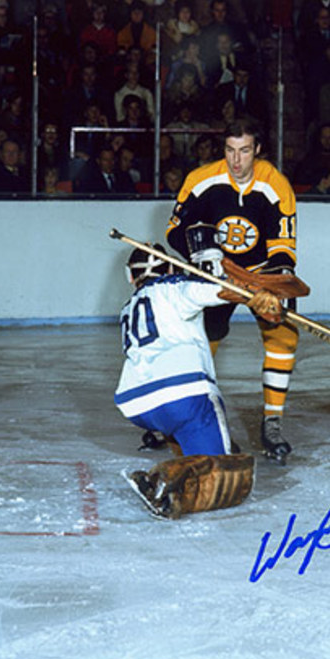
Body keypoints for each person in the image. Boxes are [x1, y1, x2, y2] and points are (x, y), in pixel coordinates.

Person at [165, 117, 301, 464]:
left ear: (257, 150)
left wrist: (277, 284)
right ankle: (183, 416)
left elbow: (283, 246)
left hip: (261, 273)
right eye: (229, 150)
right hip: (219, 273)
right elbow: (174, 229)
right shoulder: (201, 180)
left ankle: (272, 422)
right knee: (201, 340)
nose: (236, 160)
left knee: (283, 336)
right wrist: (201, 252)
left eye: (243, 151)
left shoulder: (276, 184)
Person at [116, 244, 268, 518]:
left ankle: (186, 451)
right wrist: (253, 295)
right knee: (229, 474)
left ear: (130, 277)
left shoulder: (129, 308)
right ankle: (164, 482)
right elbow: (214, 291)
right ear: (173, 268)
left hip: (138, 403)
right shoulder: (173, 286)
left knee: (207, 441)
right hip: (185, 396)